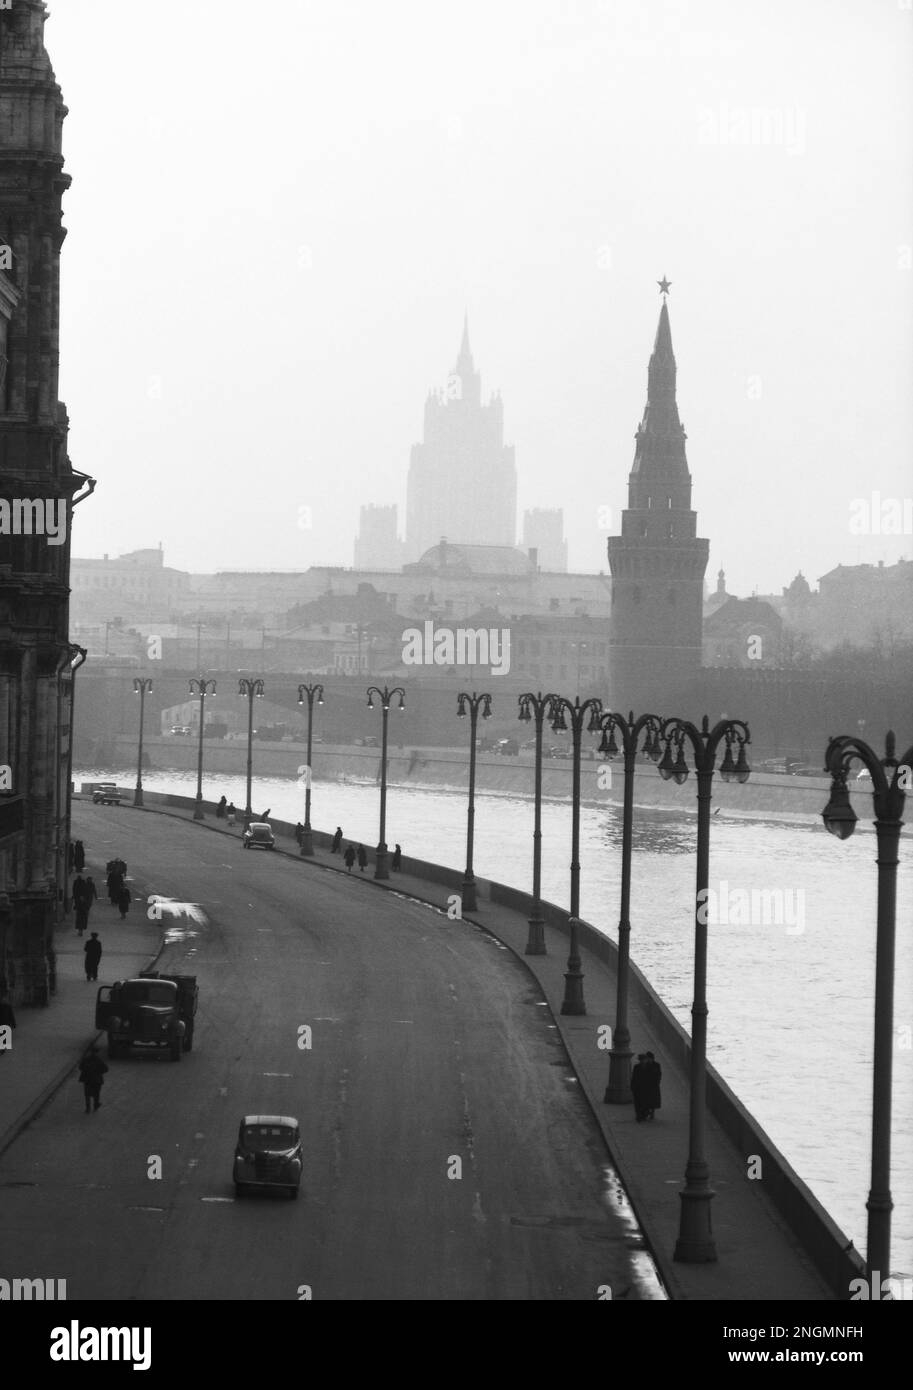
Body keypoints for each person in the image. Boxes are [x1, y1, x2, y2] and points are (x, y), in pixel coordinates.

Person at [78, 1046, 108, 1113]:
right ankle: (96, 1105)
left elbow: (80, 1067)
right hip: (97, 1079)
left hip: (87, 1079)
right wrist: (99, 1072)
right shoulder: (99, 1060)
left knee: (87, 1094)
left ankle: (88, 1108)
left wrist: (86, 1071)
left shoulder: (85, 1059)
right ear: (97, 1052)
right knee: (96, 1093)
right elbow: (106, 1069)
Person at [642, 1051, 662, 1121]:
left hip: (654, 1085)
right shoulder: (645, 1065)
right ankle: (648, 1112)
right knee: (647, 1100)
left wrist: (657, 1082)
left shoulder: (657, 1065)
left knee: (653, 1100)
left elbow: (659, 1074)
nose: (648, 1060)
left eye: (649, 1058)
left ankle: (652, 1113)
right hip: (647, 1085)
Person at [630, 1053, 648, 1122]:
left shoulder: (647, 1067)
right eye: (642, 1060)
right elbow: (634, 1077)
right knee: (637, 1103)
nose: (643, 1061)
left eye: (643, 1060)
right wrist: (632, 1087)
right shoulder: (636, 1067)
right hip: (638, 1088)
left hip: (645, 1088)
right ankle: (639, 1115)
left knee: (643, 1102)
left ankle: (643, 1115)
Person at [0, 992, 15, 1056]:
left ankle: (3, 1049)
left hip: (6, 1023)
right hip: (1, 1023)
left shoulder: (8, 1006)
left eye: (5, 999)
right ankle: (2, 1049)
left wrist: (13, 1023)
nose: (4, 1000)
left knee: (5, 1037)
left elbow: (11, 1015)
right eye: (3, 999)